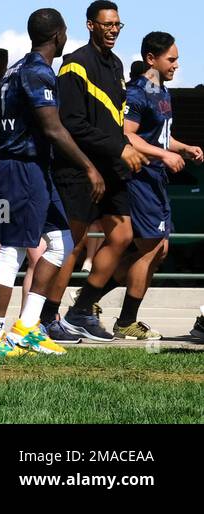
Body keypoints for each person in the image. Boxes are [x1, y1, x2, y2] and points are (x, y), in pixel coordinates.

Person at [0, 9, 104, 357]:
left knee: (61, 243)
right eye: (65, 33)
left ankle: (26, 328)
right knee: (11, 251)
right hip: (20, 170)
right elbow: (52, 128)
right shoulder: (35, 72)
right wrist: (89, 167)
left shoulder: (13, 71)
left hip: (29, 171)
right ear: (58, 36)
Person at [47, 1, 148, 343]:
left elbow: (114, 121)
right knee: (71, 247)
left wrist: (127, 149)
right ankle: (48, 318)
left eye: (118, 24)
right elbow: (71, 123)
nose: (113, 30)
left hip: (111, 167)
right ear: (90, 25)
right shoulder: (74, 65)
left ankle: (81, 310)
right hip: (79, 168)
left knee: (121, 236)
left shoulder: (116, 64)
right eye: (107, 24)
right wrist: (119, 147)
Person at [117, 32, 202, 339]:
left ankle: (91, 296)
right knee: (152, 247)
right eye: (172, 58)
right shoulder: (138, 92)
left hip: (156, 179)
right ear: (151, 59)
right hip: (141, 177)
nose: (177, 64)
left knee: (160, 249)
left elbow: (160, 137)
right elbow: (129, 135)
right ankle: (124, 320)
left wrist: (182, 147)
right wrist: (163, 154)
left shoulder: (162, 91)